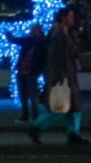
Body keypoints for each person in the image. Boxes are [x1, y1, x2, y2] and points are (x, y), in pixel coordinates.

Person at [28, 7, 87, 146]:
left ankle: (73, 133)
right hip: (63, 76)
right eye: (70, 16)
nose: (72, 19)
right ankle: (37, 127)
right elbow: (59, 57)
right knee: (60, 108)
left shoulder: (64, 32)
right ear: (63, 18)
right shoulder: (58, 33)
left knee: (73, 108)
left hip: (67, 75)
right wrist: (58, 76)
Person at [6, 23, 47, 122]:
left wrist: (39, 71)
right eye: (33, 30)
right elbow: (14, 40)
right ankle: (26, 116)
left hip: (32, 72)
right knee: (24, 95)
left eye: (35, 30)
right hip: (22, 71)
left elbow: (44, 60)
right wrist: (8, 33)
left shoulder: (43, 44)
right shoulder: (28, 40)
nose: (33, 32)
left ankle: (34, 117)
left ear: (39, 31)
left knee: (33, 96)